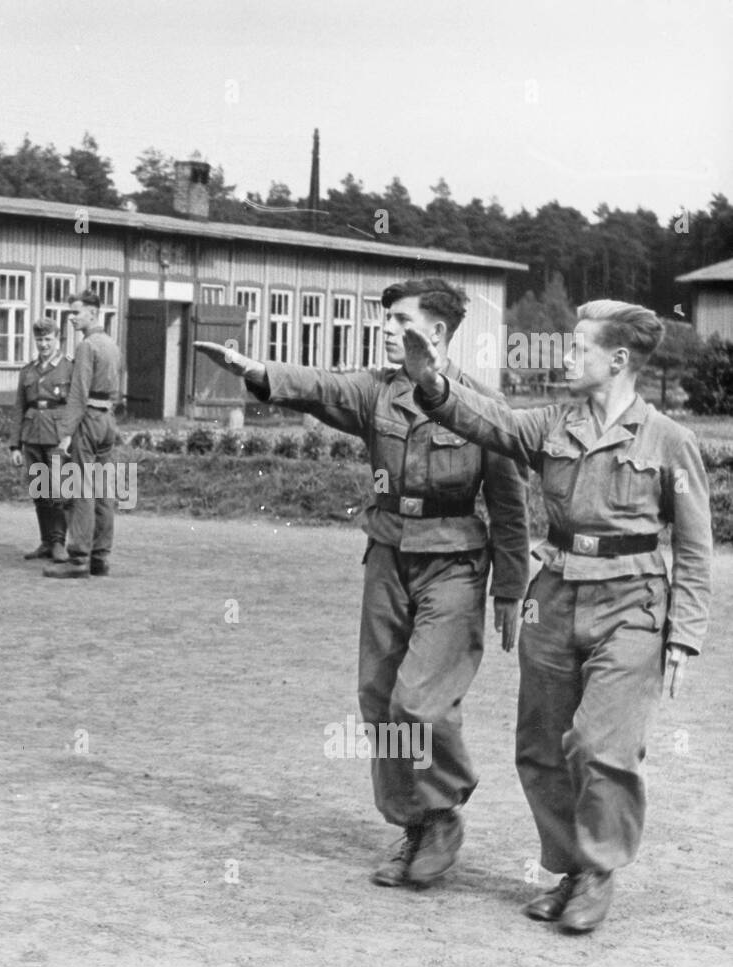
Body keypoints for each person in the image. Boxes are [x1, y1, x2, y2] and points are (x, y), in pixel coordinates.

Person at [195, 277, 529, 888]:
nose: (383, 327)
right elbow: (319, 386)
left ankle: (443, 807)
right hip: (388, 556)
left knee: (419, 701)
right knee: (380, 700)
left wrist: (511, 587)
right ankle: (417, 826)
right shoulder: (377, 391)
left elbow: (509, 504)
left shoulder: (482, 404)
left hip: (453, 563)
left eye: (397, 318)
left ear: (435, 333)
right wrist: (258, 371)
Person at [402, 299, 712, 933]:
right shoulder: (551, 424)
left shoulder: (670, 442)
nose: (565, 357)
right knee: (541, 747)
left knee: (600, 744)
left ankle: (599, 870)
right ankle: (572, 870)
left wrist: (684, 633)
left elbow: (695, 543)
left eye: (579, 348)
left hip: (633, 604)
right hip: (556, 594)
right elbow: (486, 420)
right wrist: (431, 383)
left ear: (618, 360)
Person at [43, 289, 121, 578]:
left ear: (93, 313)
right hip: (107, 419)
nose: (71, 318)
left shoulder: (87, 346)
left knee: (81, 488)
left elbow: (78, 393)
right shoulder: (111, 344)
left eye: (76, 312)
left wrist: (65, 433)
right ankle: (100, 557)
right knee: (103, 490)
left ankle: (78, 558)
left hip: (88, 419)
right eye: (70, 313)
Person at [9, 317, 74, 561]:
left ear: (58, 339)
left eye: (48, 339)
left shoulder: (69, 367)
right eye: (39, 339)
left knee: (59, 492)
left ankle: (59, 543)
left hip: (57, 437)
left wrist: (68, 436)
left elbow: (75, 406)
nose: (44, 344)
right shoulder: (28, 370)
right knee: (40, 492)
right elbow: (19, 407)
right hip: (32, 436)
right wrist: (15, 445)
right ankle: (46, 541)